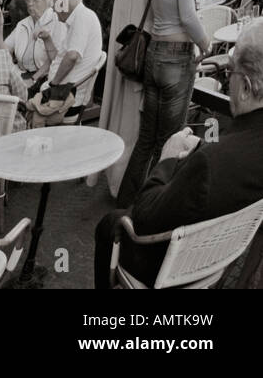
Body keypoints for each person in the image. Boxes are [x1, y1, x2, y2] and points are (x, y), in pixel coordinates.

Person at [94, 22, 263, 288]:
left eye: (231, 73)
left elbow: (143, 217)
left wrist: (168, 159)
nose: (228, 81)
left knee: (110, 223)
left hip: (176, 269)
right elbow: (235, 163)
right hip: (222, 257)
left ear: (246, 88)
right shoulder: (228, 154)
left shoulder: (209, 165)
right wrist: (201, 148)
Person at [117, 0, 213, 206]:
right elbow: (187, 13)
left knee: (148, 140)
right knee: (170, 143)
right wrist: (205, 43)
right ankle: (156, 208)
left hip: (156, 55)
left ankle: (127, 202)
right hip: (176, 57)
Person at [28, 0, 104, 102]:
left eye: (55, 2)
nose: (53, 8)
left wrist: (52, 84)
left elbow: (72, 57)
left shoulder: (82, 17)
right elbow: (58, 59)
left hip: (64, 97)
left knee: (20, 103)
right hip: (63, 92)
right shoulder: (76, 20)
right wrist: (47, 39)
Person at [2, 0, 65, 80]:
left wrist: (32, 80)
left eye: (35, 0)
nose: (30, 3)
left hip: (44, 79)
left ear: (47, 0)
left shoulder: (57, 22)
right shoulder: (23, 24)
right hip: (20, 74)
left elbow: (56, 59)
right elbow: (5, 49)